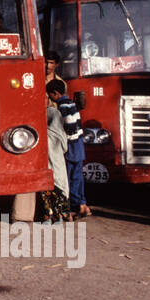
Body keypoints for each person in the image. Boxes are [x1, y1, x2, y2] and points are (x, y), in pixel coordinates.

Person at [51, 81, 91, 218]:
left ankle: (75, 206)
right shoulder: (72, 103)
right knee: (78, 177)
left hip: (72, 146)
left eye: (50, 95)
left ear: (55, 93)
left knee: (69, 177)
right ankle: (82, 204)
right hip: (79, 145)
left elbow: (69, 125)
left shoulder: (62, 105)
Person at [42, 80, 72, 222]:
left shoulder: (53, 112)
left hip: (53, 155)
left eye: (46, 97)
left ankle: (57, 215)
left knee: (55, 183)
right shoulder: (49, 113)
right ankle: (56, 215)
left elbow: (57, 133)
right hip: (49, 157)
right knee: (53, 184)